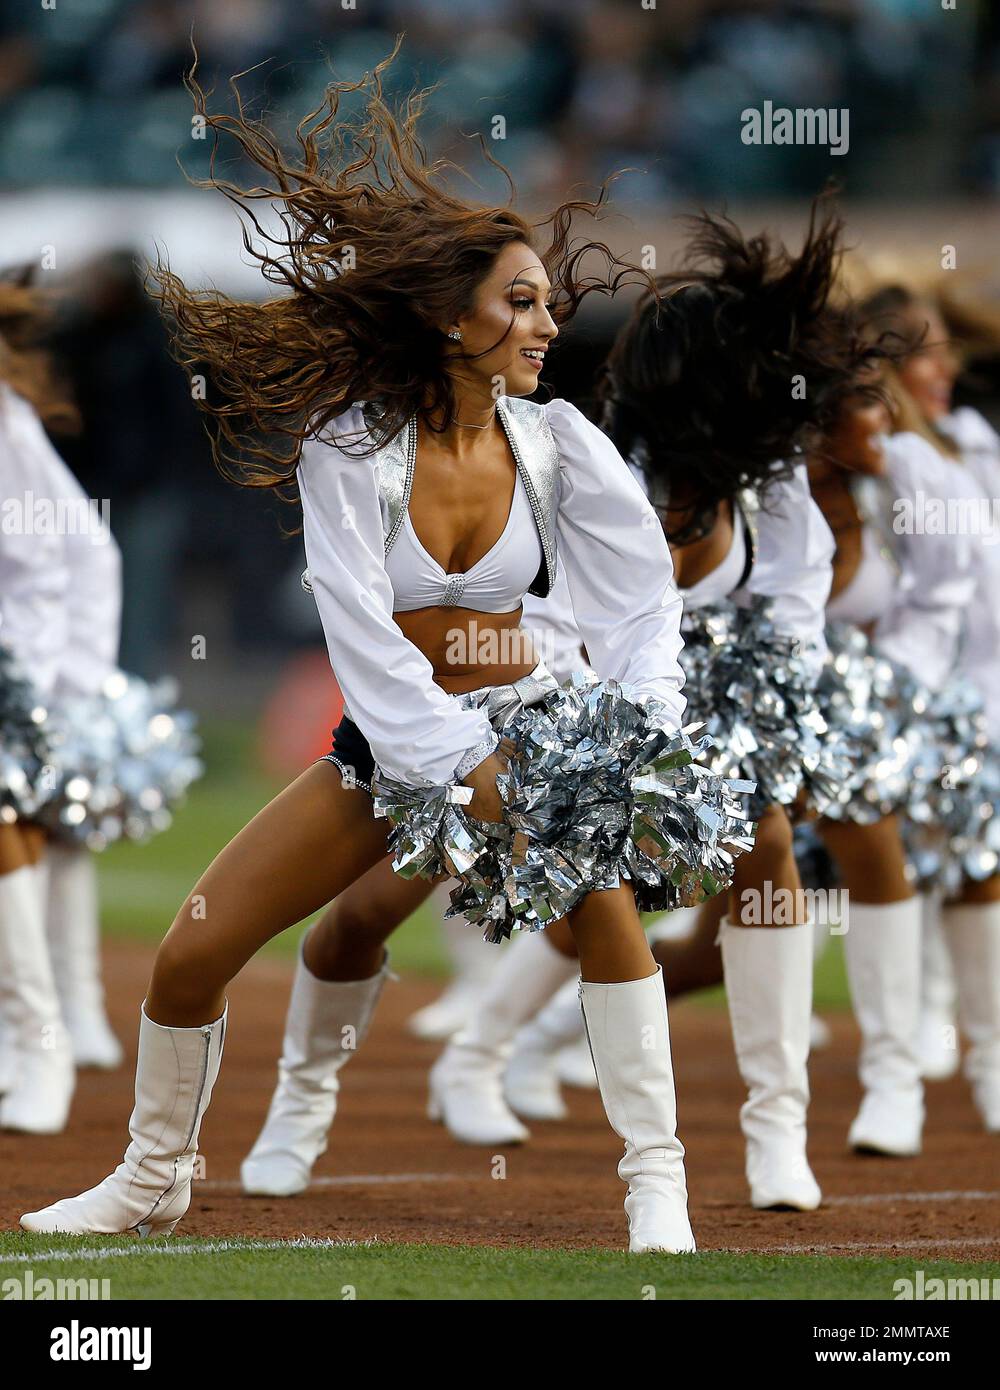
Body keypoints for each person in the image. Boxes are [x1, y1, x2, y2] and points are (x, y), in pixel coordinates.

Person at [21, 51, 752, 1253]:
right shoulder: (350, 448)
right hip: (401, 746)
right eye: (519, 301)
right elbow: (361, 634)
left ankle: (653, 1186)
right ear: (443, 315)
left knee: (606, 918)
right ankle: (155, 1175)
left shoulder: (562, 442)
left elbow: (637, 608)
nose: (546, 320)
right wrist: (455, 763)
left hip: (541, 733)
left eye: (547, 301)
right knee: (196, 944)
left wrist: (635, 733)